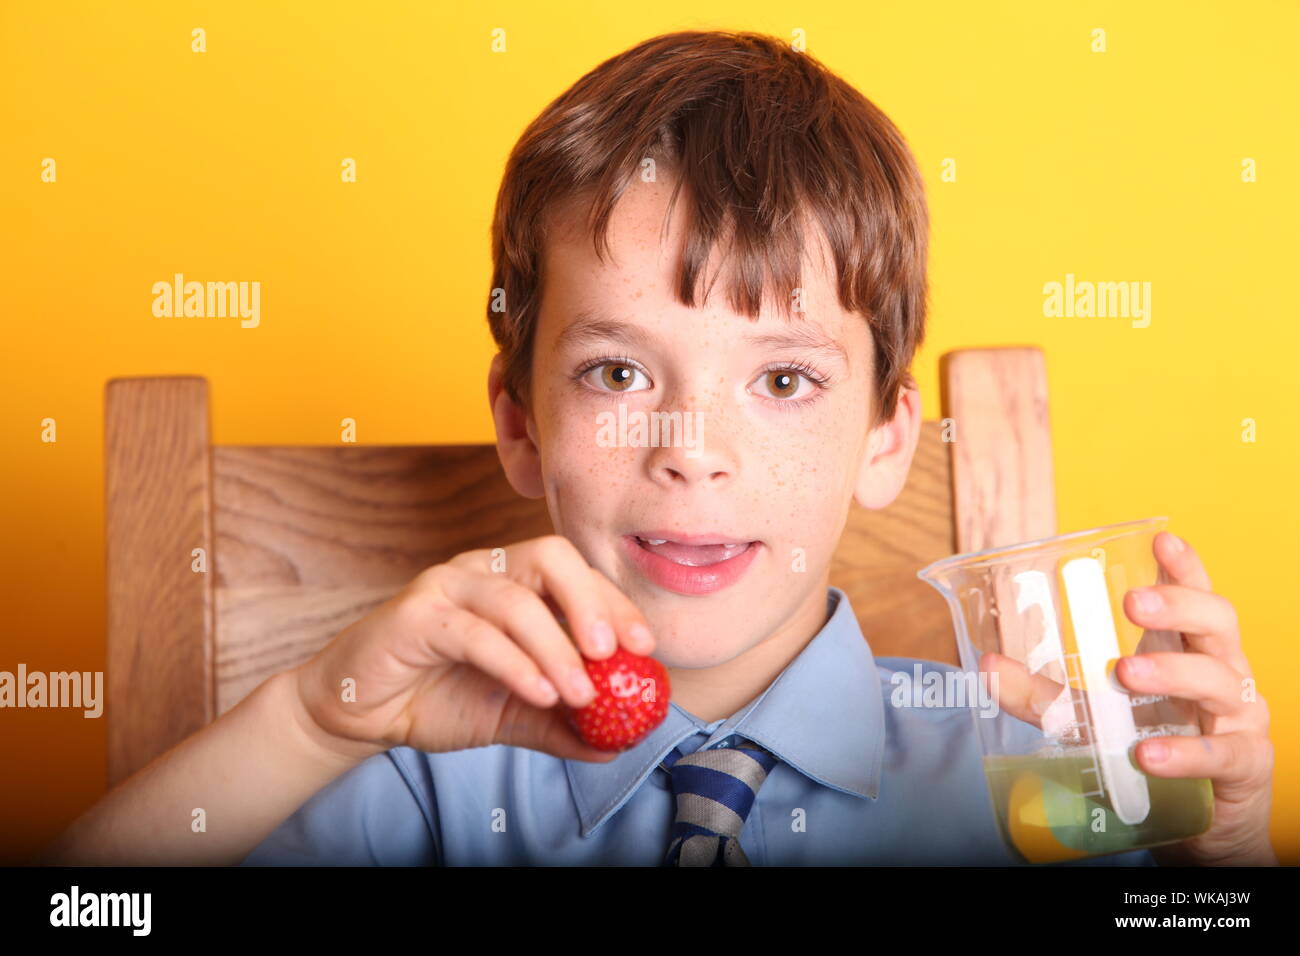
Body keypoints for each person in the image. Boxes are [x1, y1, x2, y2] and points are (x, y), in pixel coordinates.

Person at [35, 29, 1277, 867]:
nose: (693, 449)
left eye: (784, 378)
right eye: (619, 371)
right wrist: (310, 718)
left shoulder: (1026, 777)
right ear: (520, 421)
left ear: (886, 443)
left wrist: (1218, 863)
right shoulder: (422, 773)